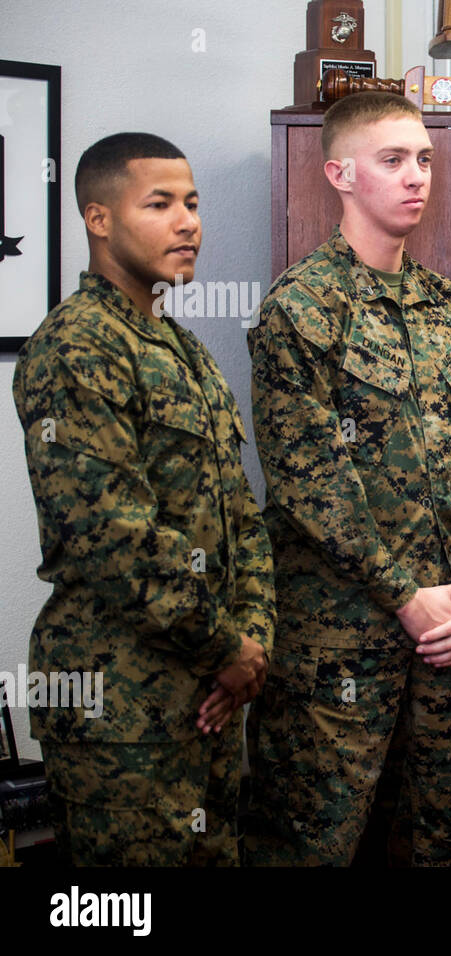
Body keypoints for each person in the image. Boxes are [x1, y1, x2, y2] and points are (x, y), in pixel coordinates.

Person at [244, 91, 451, 866]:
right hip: (340, 646)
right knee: (313, 844)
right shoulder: (302, 309)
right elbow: (309, 481)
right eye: (393, 160)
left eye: (424, 159)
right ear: (340, 173)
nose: (416, 177)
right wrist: (403, 594)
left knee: (449, 842)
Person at [12, 132, 275, 865]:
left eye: (192, 203)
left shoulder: (181, 349)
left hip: (209, 697)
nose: (188, 221)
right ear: (99, 220)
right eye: (159, 204)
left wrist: (250, 650)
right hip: (121, 709)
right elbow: (114, 539)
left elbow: (242, 521)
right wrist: (228, 649)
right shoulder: (78, 348)